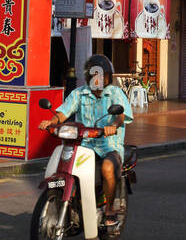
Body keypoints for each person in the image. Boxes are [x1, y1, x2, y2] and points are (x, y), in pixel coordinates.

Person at [38, 53, 133, 227]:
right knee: (63, 164)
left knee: (107, 167)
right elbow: (63, 113)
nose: (98, 79)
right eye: (94, 75)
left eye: (102, 75)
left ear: (107, 77)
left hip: (108, 144)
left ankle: (109, 209)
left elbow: (121, 115)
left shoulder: (115, 93)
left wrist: (114, 126)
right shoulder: (79, 93)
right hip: (82, 143)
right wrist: (51, 122)